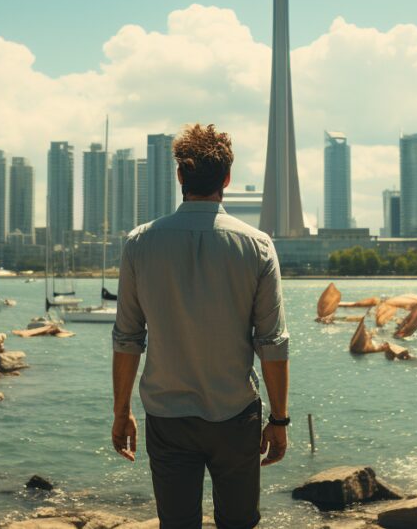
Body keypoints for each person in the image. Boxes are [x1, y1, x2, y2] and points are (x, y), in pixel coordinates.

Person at [111, 123, 290, 529]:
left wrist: (122, 411)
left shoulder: (140, 243)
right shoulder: (257, 245)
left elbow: (127, 338)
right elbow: (272, 343)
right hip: (235, 416)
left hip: (167, 417)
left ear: (180, 176)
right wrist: (278, 420)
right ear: (227, 178)